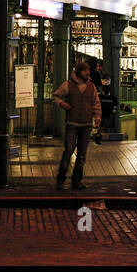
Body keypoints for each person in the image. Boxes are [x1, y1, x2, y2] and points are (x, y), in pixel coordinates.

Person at [53, 60, 101, 190]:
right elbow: (56, 96)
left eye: (88, 71)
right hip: (72, 123)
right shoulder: (67, 85)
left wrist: (97, 117)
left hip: (86, 124)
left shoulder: (91, 86)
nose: (88, 73)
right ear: (79, 72)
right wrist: (62, 104)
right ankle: (60, 179)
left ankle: (77, 181)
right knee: (68, 151)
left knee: (82, 155)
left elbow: (96, 103)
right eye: (85, 71)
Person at [91, 58, 115, 136]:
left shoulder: (99, 96)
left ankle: (100, 132)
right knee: (107, 122)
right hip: (106, 112)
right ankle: (105, 133)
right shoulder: (112, 97)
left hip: (102, 112)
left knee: (103, 122)